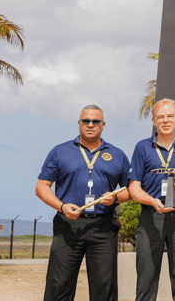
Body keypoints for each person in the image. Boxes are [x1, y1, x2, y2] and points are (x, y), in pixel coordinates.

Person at [36, 104, 131, 301]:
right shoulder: (59, 151)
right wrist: (61, 206)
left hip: (103, 226)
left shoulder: (117, 155)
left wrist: (115, 198)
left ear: (103, 125)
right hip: (67, 224)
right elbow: (41, 187)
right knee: (58, 284)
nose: (90, 125)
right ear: (79, 124)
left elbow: (131, 189)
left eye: (95, 121)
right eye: (86, 121)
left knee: (104, 286)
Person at [129, 98, 175, 301]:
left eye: (170, 116)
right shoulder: (142, 147)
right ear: (154, 120)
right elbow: (133, 188)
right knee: (146, 280)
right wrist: (153, 202)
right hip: (151, 217)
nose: (166, 120)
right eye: (161, 117)